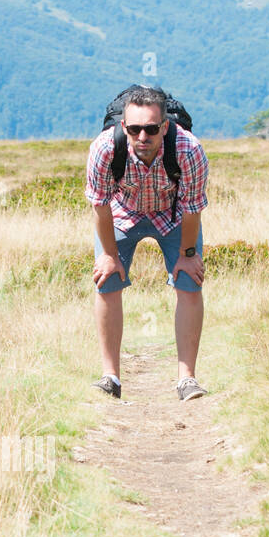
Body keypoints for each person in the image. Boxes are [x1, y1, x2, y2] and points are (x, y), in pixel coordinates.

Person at [85, 85, 209, 401]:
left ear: (164, 126)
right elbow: (100, 204)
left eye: (152, 129)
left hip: (173, 213)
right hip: (122, 211)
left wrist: (188, 254)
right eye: (136, 129)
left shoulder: (189, 150)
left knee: (189, 282)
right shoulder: (103, 149)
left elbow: (192, 206)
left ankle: (187, 380)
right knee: (107, 280)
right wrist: (110, 255)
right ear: (123, 127)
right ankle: (110, 377)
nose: (143, 137)